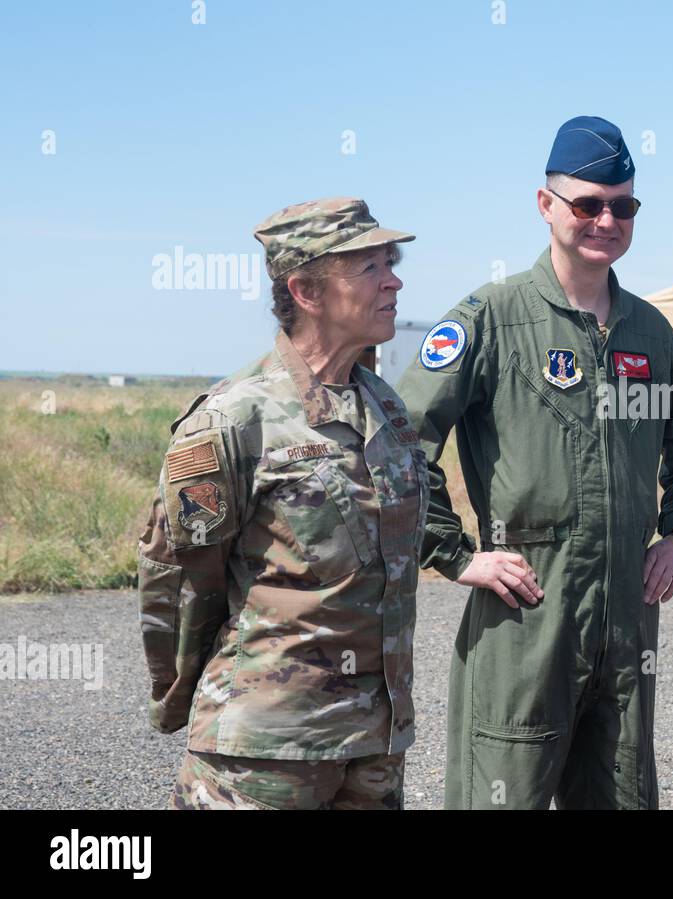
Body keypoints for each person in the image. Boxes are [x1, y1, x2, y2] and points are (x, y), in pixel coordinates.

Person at [398, 116, 673, 809]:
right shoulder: (493, 318)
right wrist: (455, 555)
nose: (606, 219)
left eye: (623, 206)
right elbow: (399, 443)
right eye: (588, 204)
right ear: (546, 205)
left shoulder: (649, 331)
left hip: (628, 621)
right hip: (527, 614)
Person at [138, 197, 424, 809]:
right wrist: (184, 695)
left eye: (390, 262)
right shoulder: (233, 419)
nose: (394, 279)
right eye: (369, 267)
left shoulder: (385, 408)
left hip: (375, 742)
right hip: (264, 745)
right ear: (306, 291)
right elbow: (183, 580)